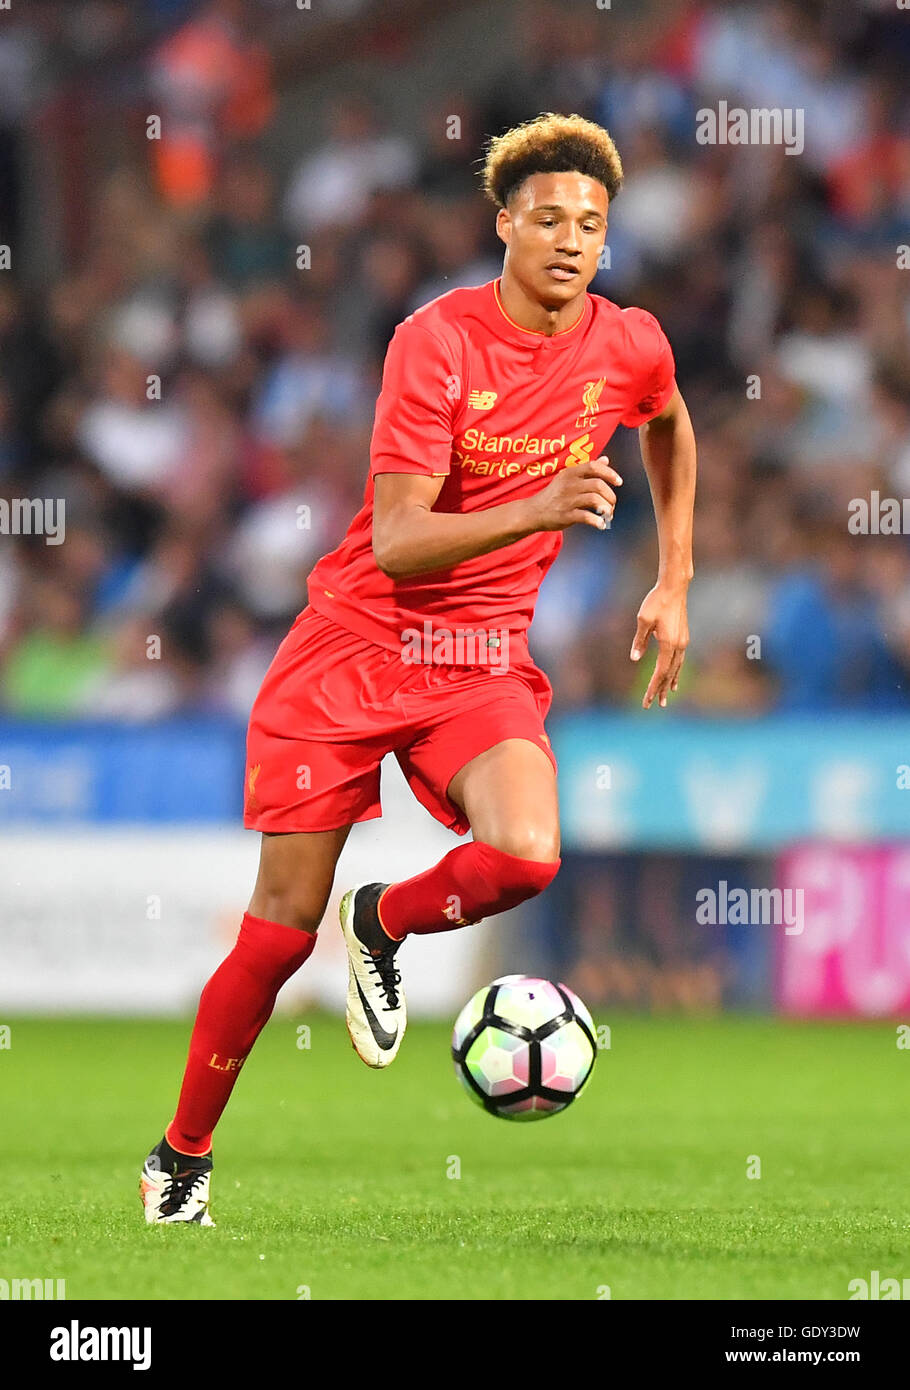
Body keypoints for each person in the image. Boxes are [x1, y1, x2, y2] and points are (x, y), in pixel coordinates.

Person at [140, 112, 696, 1225]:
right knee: (277, 929)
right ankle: (181, 1158)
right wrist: (537, 504)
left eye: (591, 222)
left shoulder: (628, 342)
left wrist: (674, 577)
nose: (571, 238)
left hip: (477, 659)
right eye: (547, 217)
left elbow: (670, 424)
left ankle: (385, 920)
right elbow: (396, 538)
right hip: (355, 646)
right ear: (503, 226)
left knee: (528, 853)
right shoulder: (434, 342)